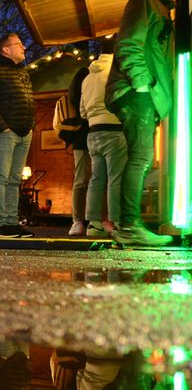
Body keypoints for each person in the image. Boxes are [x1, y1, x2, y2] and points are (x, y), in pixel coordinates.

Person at [104, 0, 186, 247]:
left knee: (140, 158)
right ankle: (129, 226)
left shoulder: (160, 6)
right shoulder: (145, 0)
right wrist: (143, 84)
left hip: (143, 93)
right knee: (140, 158)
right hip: (136, 92)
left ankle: (128, 226)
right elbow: (128, 43)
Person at [0, 33, 36, 238]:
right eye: (19, 44)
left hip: (23, 132)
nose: (24, 48)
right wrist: (3, 127)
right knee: (1, 177)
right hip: (5, 133)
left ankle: (11, 222)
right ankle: (0, 224)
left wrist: (30, 125)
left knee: (14, 180)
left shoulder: (22, 72)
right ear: (6, 49)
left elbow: (28, 100)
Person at [80, 40, 124, 240]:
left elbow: (82, 111)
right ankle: (117, 223)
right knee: (116, 178)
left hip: (93, 131)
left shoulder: (88, 78)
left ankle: (94, 224)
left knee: (96, 179)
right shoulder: (114, 73)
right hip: (114, 129)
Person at [55, 64, 91, 235]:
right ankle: (94, 220)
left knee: (81, 180)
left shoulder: (71, 98)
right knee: (96, 180)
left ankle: (78, 221)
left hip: (80, 142)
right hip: (91, 137)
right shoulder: (93, 88)